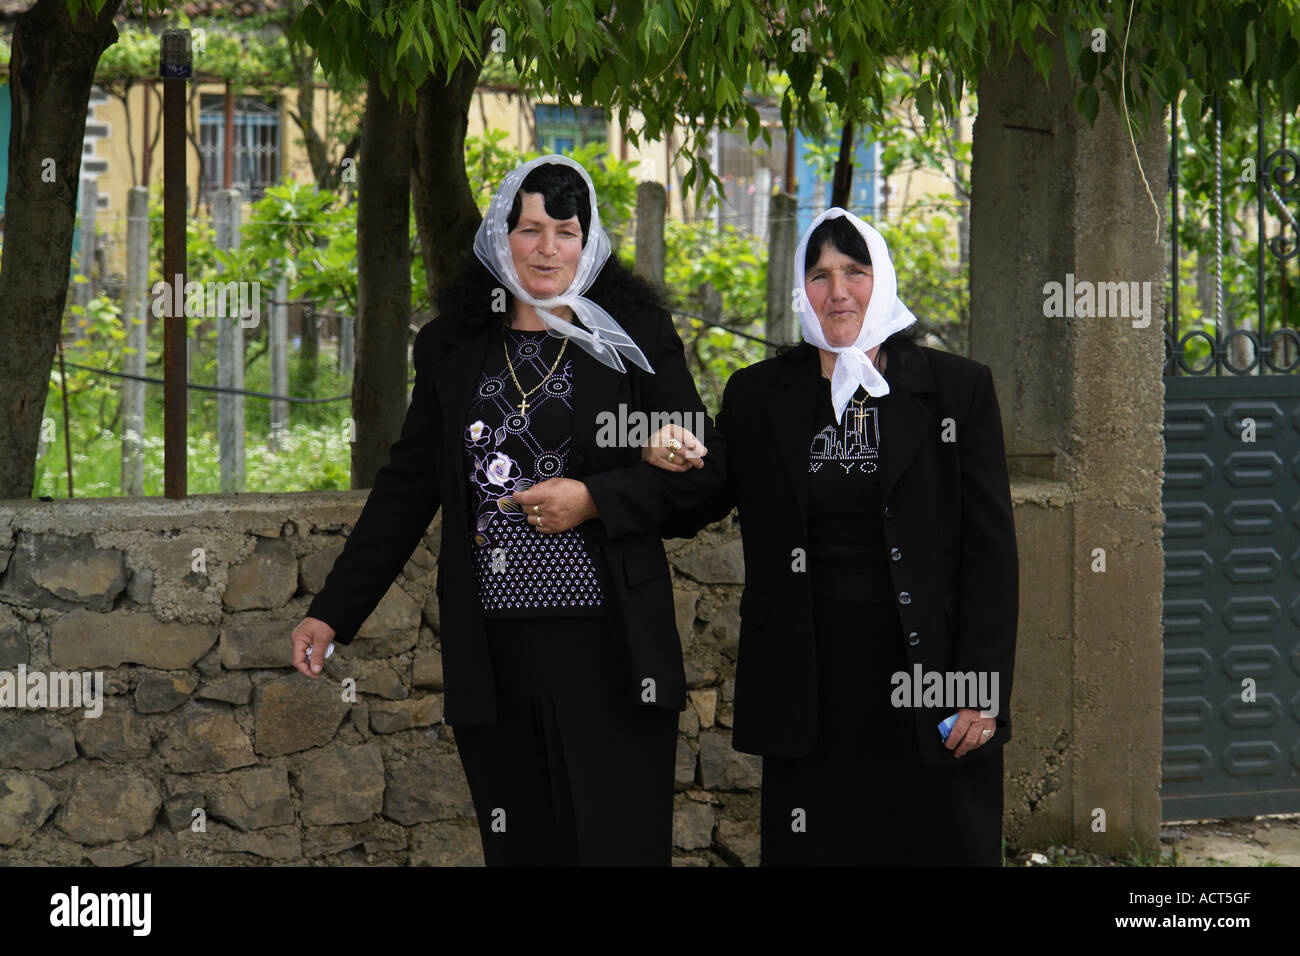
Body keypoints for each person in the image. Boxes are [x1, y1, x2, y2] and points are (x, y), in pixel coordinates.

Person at [290, 155, 723, 865]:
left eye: (565, 230)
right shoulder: (452, 347)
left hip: (611, 646)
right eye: (528, 229)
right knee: (521, 849)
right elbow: (407, 487)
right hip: (492, 645)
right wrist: (332, 611)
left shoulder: (635, 336)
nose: (546, 248)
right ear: (500, 236)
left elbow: (702, 475)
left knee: (614, 847)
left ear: (591, 243)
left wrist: (594, 499)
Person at [644, 208, 1018, 865]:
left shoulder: (956, 391)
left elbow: (990, 557)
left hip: (926, 681)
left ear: (884, 280)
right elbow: (693, 502)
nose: (837, 291)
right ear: (801, 289)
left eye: (855, 271)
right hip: (809, 686)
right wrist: (661, 453)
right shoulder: (762, 393)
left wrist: (980, 691)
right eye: (818, 275)